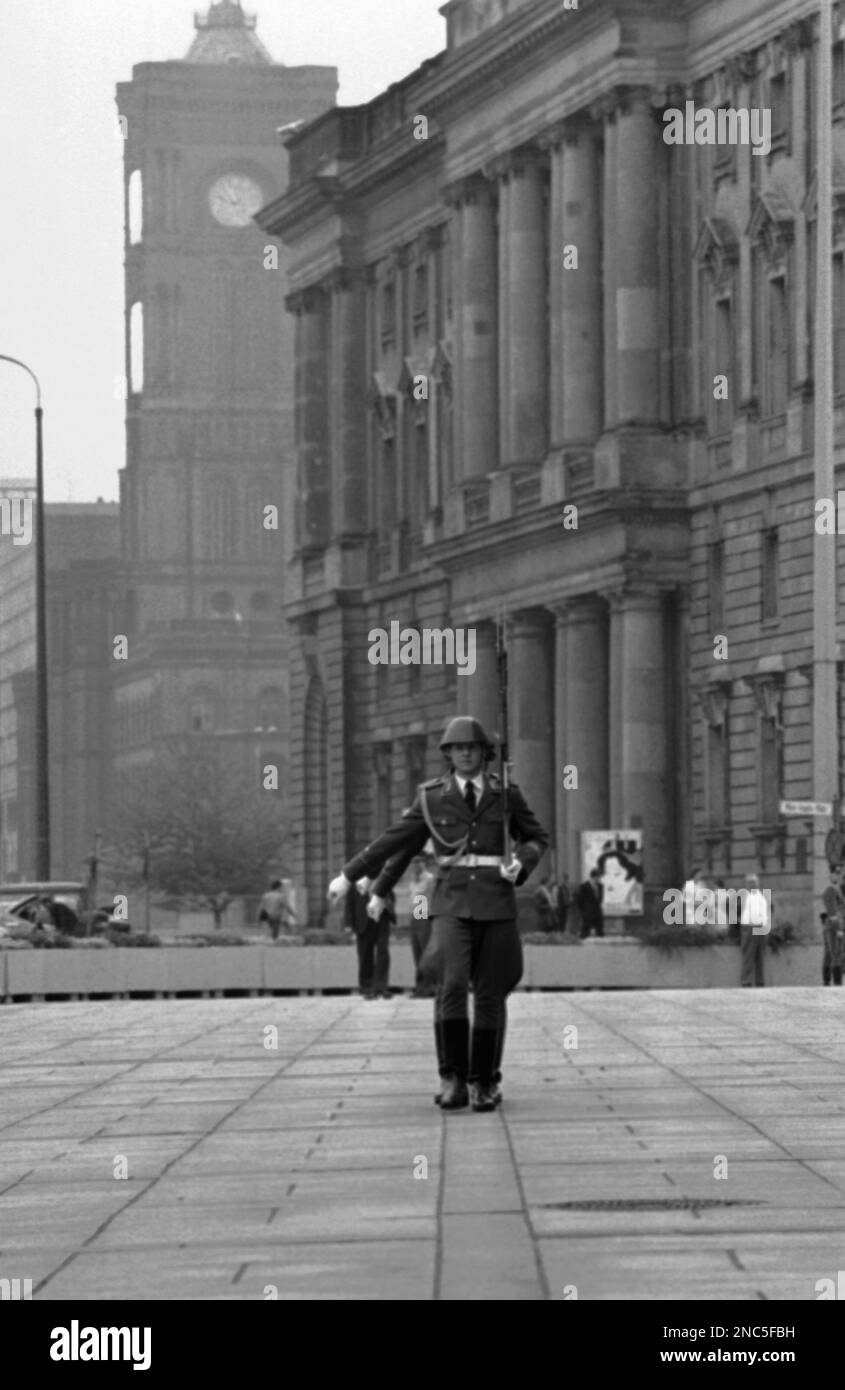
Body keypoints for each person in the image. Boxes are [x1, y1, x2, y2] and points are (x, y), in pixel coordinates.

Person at [327, 714, 549, 1112]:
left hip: (496, 903)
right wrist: (351, 874)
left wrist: (522, 863)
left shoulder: (505, 794)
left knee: (490, 993)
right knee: (450, 986)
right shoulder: (430, 796)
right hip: (451, 902)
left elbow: (535, 837)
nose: (465, 753)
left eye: (472, 747)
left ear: (484, 752)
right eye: (457, 748)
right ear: (447, 754)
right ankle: (453, 1079)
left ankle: (484, 1081)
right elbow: (398, 840)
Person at [344, 877, 395, 998]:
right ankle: (367, 987)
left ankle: (381, 987)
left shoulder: (384, 877)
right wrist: (348, 924)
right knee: (366, 954)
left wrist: (388, 905)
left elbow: (392, 896)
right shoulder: (356, 882)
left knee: (383, 952)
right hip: (364, 921)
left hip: (382, 918)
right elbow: (349, 903)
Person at [408, 854, 437, 996]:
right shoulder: (413, 881)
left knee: (425, 953)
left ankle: (429, 987)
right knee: (417, 954)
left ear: (423, 864)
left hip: (423, 916)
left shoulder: (429, 879)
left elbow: (431, 898)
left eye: (418, 863)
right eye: (413, 863)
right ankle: (420, 987)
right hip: (414, 916)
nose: (415, 866)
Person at [739, 871, 769, 986]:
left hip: (761, 928)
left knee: (760, 956)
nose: (753, 884)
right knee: (748, 956)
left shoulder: (761, 897)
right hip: (749, 927)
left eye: (755, 882)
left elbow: (766, 912)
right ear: (746, 884)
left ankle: (760, 981)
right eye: (750, 882)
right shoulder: (743, 896)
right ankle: (746, 981)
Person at [821, 865, 845, 986]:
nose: (839, 875)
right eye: (836, 873)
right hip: (833, 925)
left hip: (833, 924)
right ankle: (835, 982)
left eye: (840, 873)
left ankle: (829, 981)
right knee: (835, 953)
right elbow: (832, 911)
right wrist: (839, 928)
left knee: (833, 953)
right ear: (831, 875)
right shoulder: (830, 889)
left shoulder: (836, 889)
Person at [576, 868, 605, 938]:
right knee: (585, 930)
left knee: (600, 929)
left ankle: (601, 945)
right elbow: (580, 900)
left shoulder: (600, 886)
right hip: (588, 912)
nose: (600, 878)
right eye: (599, 876)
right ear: (594, 876)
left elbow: (600, 898)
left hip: (597, 911)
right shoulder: (584, 886)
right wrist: (583, 911)